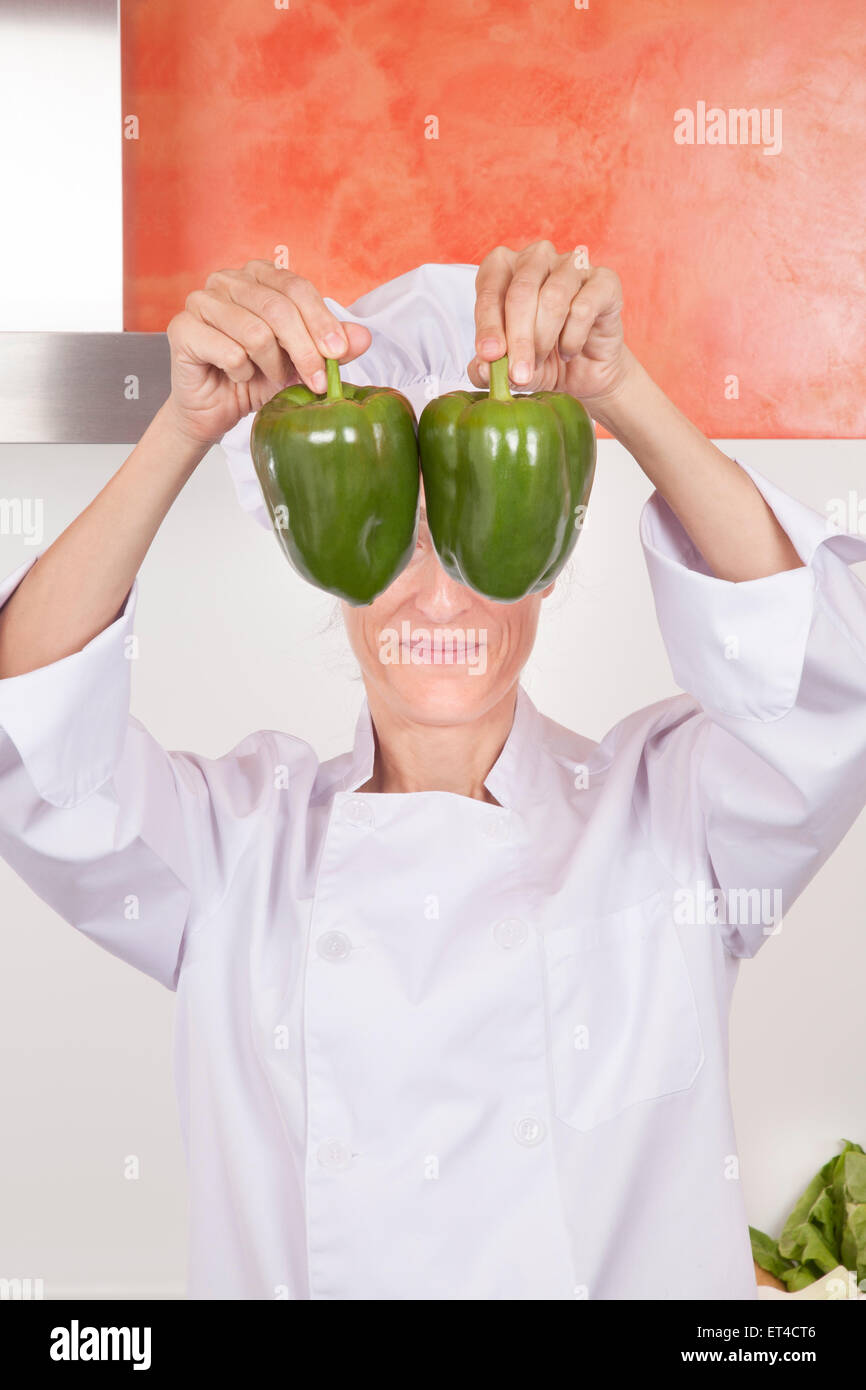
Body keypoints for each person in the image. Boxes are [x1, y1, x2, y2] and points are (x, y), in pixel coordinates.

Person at [0, 242, 863, 1301]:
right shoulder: (233, 852)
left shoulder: (671, 812)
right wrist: (181, 428)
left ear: (542, 559)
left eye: (472, 535)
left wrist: (616, 389)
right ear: (329, 561)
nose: (438, 596)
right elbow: (31, 735)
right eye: (386, 541)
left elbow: (827, 676)